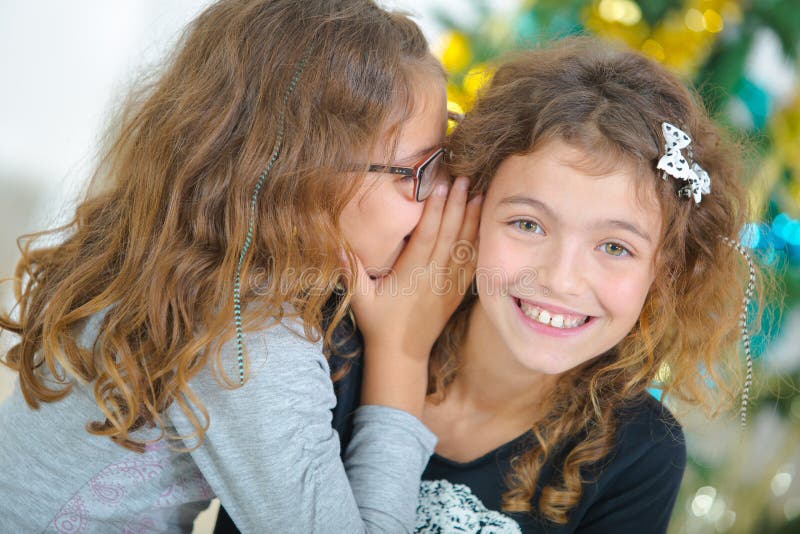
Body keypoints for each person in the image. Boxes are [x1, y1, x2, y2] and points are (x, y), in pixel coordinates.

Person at [0, 0, 481, 531]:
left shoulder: (178, 252)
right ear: (304, 180)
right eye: (418, 170)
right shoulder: (246, 337)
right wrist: (403, 353)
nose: (440, 198)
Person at [410, 36, 765, 533]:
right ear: (471, 208)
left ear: (664, 272)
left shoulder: (641, 456)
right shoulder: (350, 343)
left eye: (615, 247)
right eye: (528, 225)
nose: (561, 279)